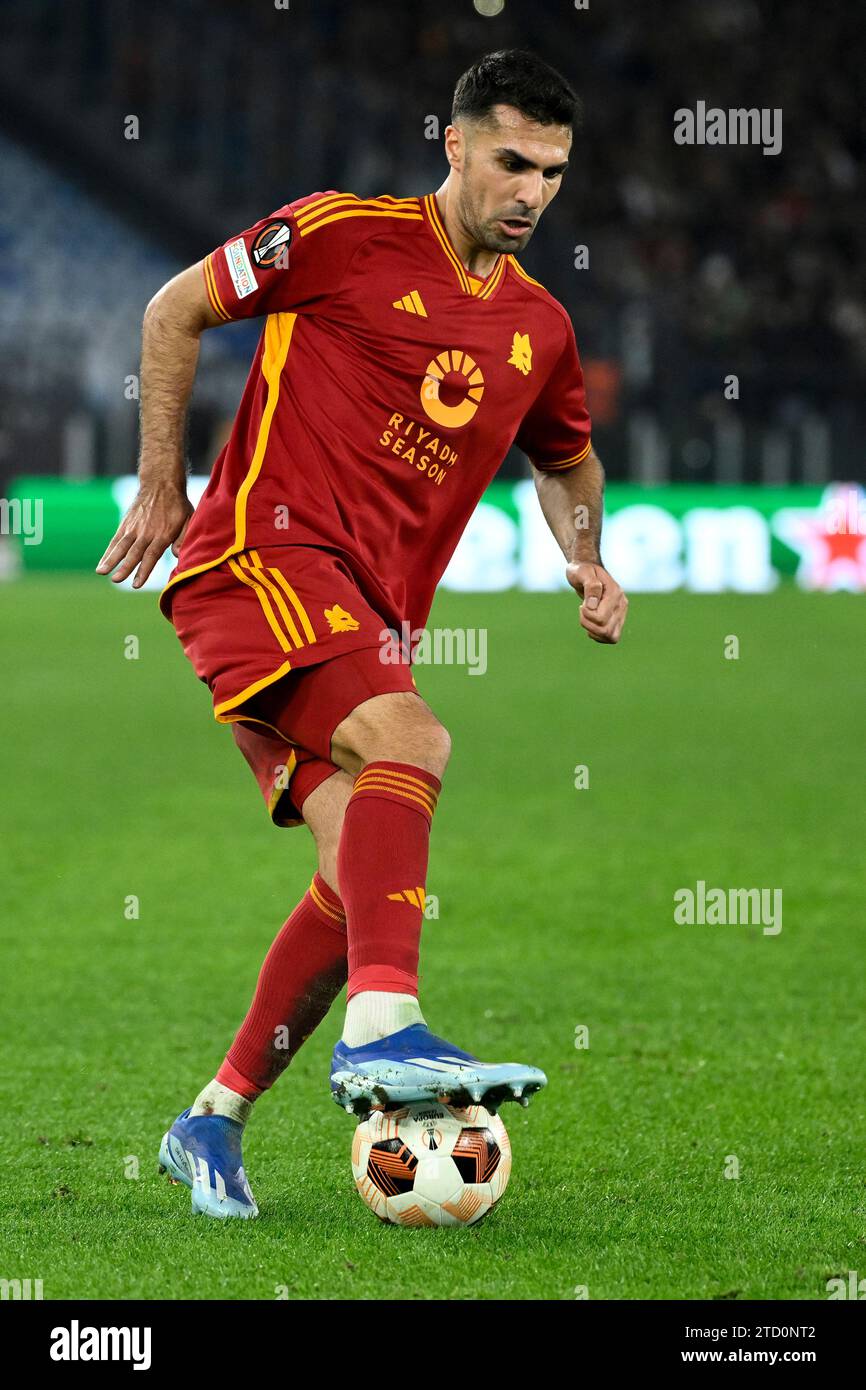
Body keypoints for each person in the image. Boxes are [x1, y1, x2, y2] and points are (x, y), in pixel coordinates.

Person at [96, 48, 628, 1219]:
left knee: (354, 874)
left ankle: (212, 1118)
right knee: (414, 740)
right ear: (453, 145)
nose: (530, 191)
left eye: (550, 171)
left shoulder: (536, 327)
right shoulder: (338, 234)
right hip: (258, 559)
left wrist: (583, 554)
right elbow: (173, 306)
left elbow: (567, 457)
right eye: (509, 161)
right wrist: (158, 483)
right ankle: (384, 1030)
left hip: (361, 613)